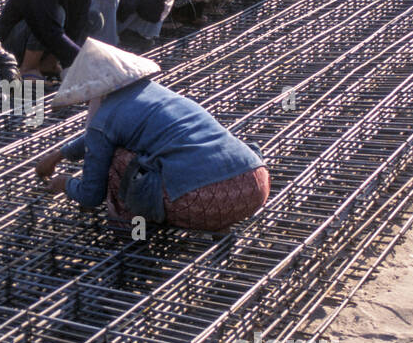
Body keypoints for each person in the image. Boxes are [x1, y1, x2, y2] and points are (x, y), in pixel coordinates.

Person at [34, 38, 270, 232]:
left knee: (119, 160)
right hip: (255, 185)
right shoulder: (155, 93)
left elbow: (91, 195)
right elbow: (104, 133)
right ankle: (216, 223)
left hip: (203, 200)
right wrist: (59, 155)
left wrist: (65, 184)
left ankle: (131, 226)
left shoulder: (104, 118)